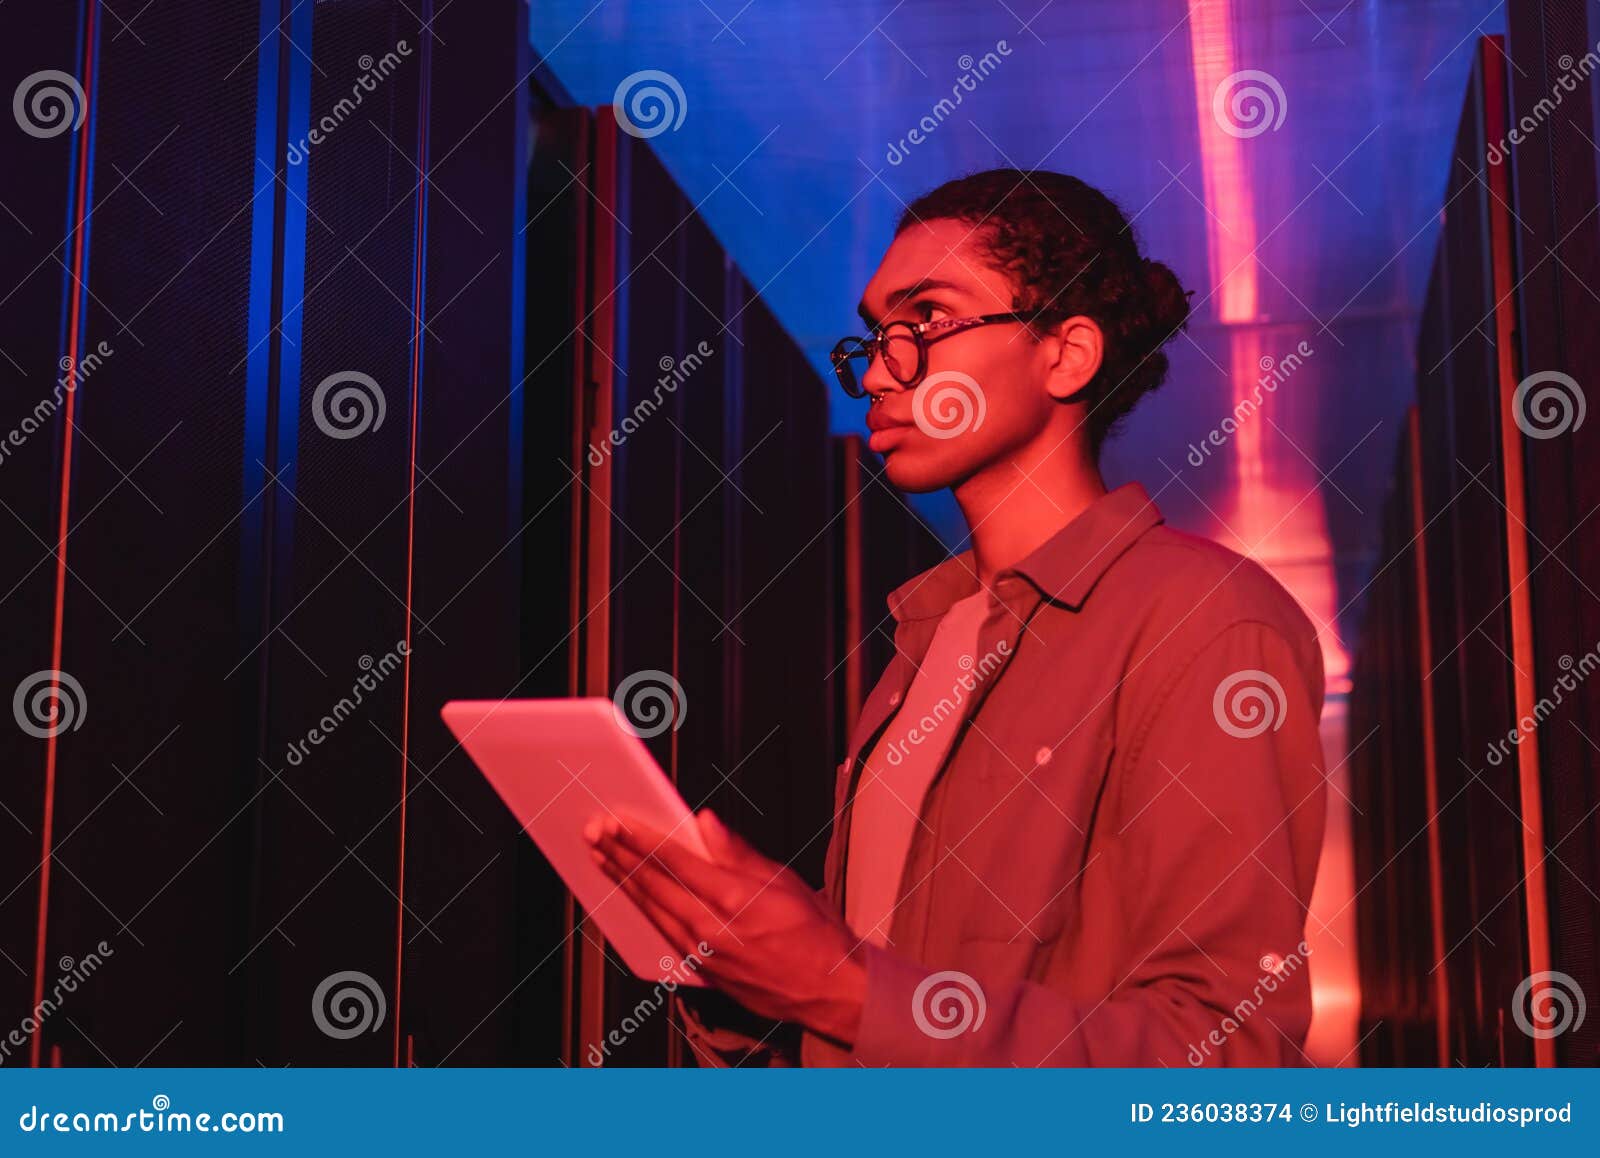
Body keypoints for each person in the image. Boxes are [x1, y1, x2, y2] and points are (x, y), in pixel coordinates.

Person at [587, 168, 1327, 1066]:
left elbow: (1230, 1058)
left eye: (928, 320)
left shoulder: (1206, 623)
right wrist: (744, 976)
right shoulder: (923, 647)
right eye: (877, 334)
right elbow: (882, 1028)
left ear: (1066, 355)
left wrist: (842, 987)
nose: (882, 371)